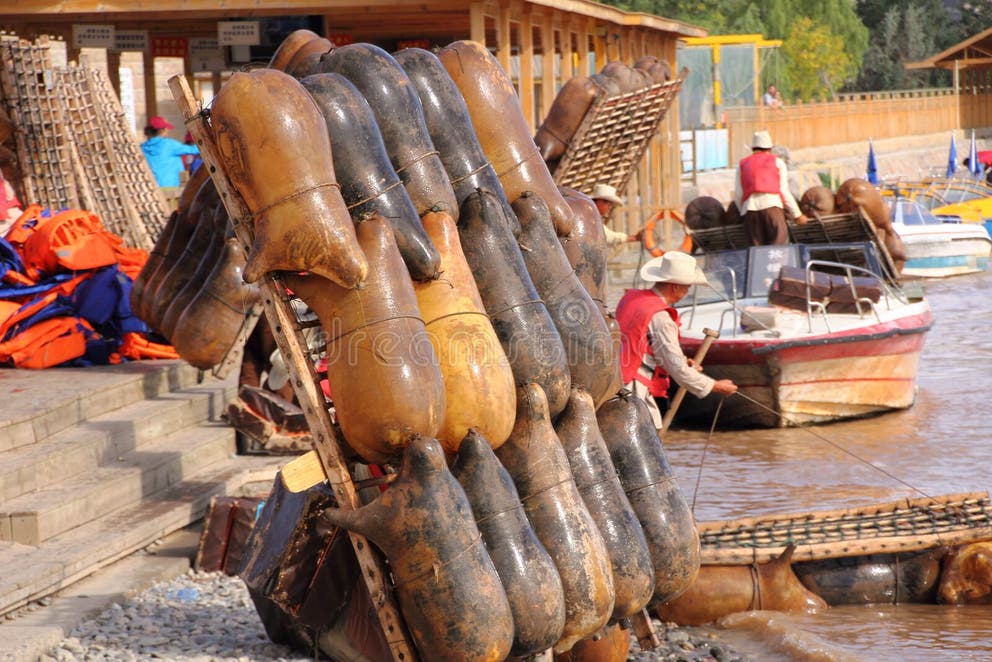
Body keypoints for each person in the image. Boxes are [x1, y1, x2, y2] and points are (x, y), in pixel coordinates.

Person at [615, 251, 737, 430]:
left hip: (613, 380)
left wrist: (681, 360)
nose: (687, 292)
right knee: (646, 438)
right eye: (687, 288)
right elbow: (677, 369)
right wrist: (716, 386)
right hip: (632, 388)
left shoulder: (630, 298)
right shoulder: (661, 318)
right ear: (675, 287)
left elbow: (639, 343)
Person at [733, 130, 808, 246]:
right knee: (778, 250)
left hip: (750, 211)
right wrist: (797, 214)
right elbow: (783, 191)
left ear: (753, 148)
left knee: (756, 251)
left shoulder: (742, 164)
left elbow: (738, 194)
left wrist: (743, 212)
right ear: (770, 148)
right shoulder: (777, 162)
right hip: (773, 209)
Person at [140, 116, 200, 188]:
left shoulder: (142, 147)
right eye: (166, 128)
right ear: (162, 130)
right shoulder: (169, 144)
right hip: (171, 188)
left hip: (152, 187)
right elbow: (194, 150)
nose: (167, 130)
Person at [590, 183, 642, 247]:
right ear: (598, 202)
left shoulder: (593, 217)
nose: (609, 208)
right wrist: (634, 238)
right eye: (608, 205)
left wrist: (634, 238)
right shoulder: (589, 217)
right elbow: (607, 237)